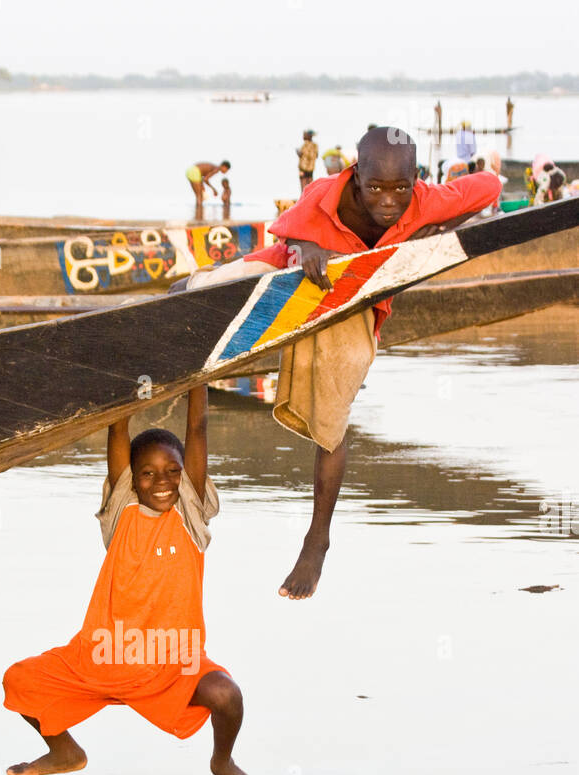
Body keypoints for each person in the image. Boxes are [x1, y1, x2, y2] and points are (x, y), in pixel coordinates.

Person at [185, 127, 501, 600]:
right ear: (356, 176)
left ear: (415, 178)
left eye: (401, 188)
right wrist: (306, 246)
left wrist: (443, 224)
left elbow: (490, 186)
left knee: (335, 415)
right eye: (376, 188)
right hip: (287, 275)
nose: (389, 201)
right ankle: (193, 289)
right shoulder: (324, 191)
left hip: (354, 303)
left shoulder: (422, 200)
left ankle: (317, 540)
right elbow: (289, 230)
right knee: (192, 296)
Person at [3, 387, 265, 775]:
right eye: (147, 473)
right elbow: (118, 432)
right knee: (20, 680)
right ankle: (64, 751)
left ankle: (223, 763)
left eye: (172, 471)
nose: (162, 481)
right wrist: (123, 375)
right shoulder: (120, 513)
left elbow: (197, 428)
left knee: (226, 694)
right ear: (131, 479)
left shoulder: (190, 515)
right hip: (102, 659)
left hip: (170, 666)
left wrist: (201, 378)